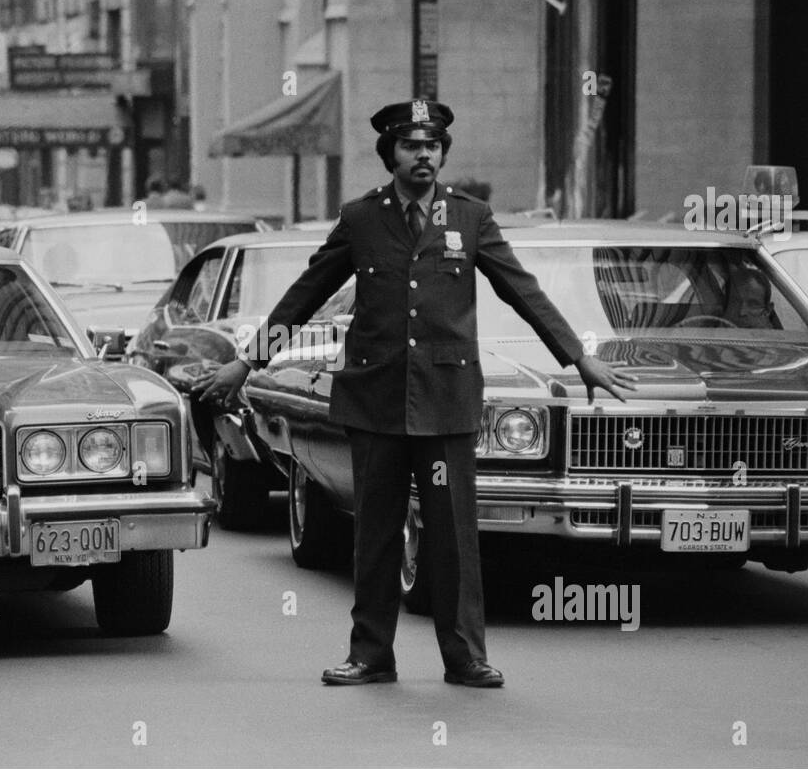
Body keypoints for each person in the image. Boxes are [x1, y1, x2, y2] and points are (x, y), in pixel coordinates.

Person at [195, 99, 636, 688]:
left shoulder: (471, 218)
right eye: (411, 146)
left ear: (443, 153)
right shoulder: (361, 220)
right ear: (391, 155)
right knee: (375, 534)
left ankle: (465, 657)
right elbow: (303, 296)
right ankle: (371, 654)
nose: (423, 155)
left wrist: (579, 357)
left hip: (447, 403)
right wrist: (246, 363)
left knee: (453, 535)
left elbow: (521, 291)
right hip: (375, 403)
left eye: (432, 146)